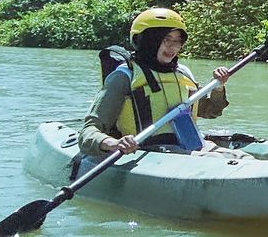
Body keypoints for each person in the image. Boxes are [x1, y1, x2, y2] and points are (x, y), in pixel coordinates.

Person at [78, 8, 231, 156]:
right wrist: (113, 143)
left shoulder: (183, 73)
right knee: (216, 159)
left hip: (193, 145)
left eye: (178, 41)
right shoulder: (124, 77)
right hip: (150, 152)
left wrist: (218, 87)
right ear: (148, 41)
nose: (173, 47)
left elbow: (211, 111)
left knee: (243, 158)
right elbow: (89, 131)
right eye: (166, 40)